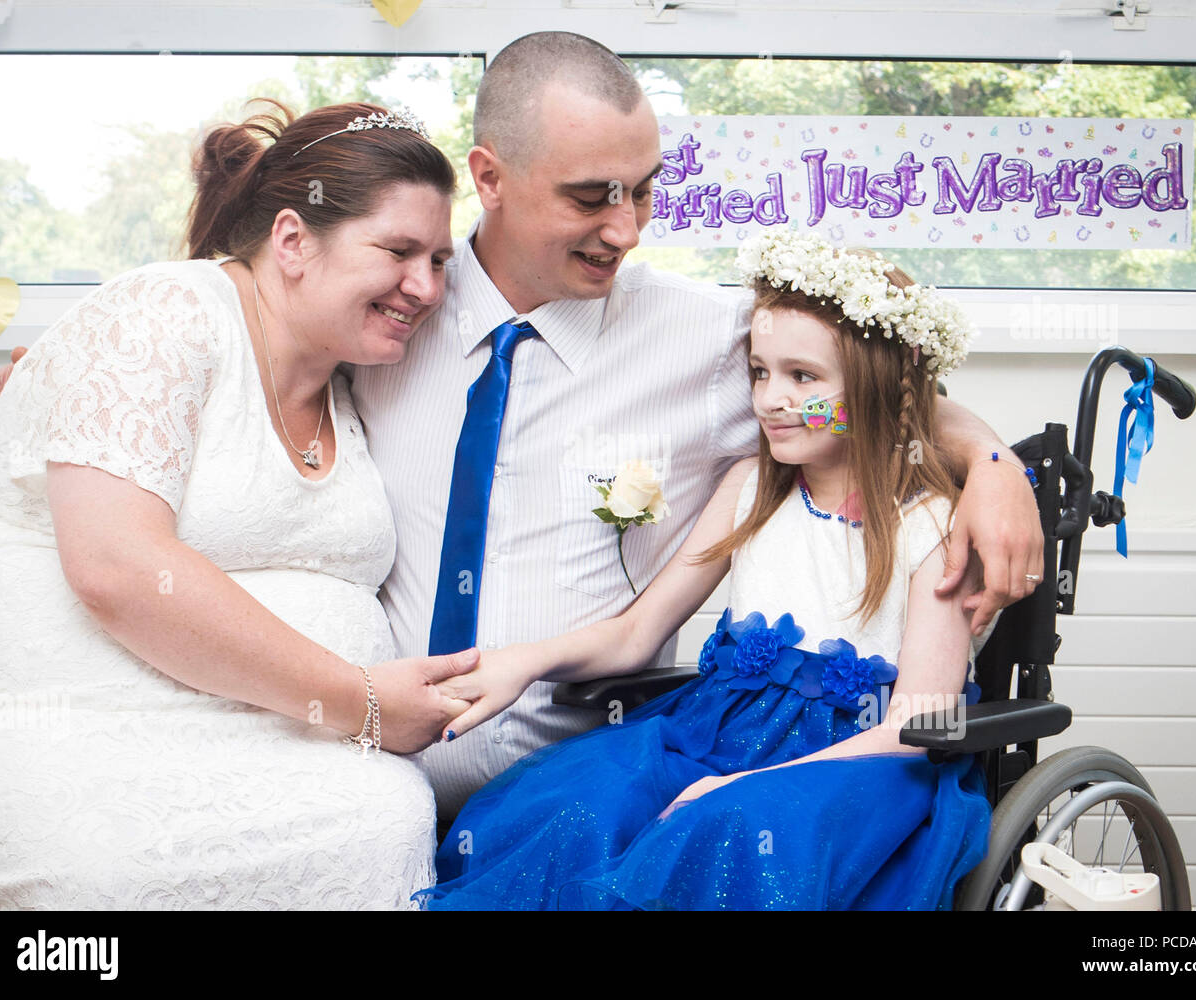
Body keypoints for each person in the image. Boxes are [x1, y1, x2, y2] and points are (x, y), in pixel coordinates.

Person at [0, 32, 1044, 828]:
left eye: (645, 191)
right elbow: (213, 350)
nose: (625, 227)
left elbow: (860, 389)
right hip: (341, 755)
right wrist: (38, 388)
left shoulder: (711, 342)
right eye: (590, 196)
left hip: (566, 766)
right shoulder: (384, 317)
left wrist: (992, 462)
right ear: (487, 176)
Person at [0, 100, 479, 908]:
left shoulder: (355, 383)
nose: (427, 287)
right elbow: (117, 567)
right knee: (110, 872)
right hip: (89, 739)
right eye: (399, 251)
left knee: (383, 820)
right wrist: (365, 705)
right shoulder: (163, 312)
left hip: (289, 751)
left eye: (442, 259)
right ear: (292, 240)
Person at [414, 233, 995, 910]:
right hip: (713, 735)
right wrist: (525, 661)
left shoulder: (932, 529)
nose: (770, 400)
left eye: (803, 378)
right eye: (759, 372)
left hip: (856, 768)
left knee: (728, 830)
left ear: (879, 382)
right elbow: (637, 633)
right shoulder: (752, 487)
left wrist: (739, 788)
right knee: (584, 803)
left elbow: (912, 726)